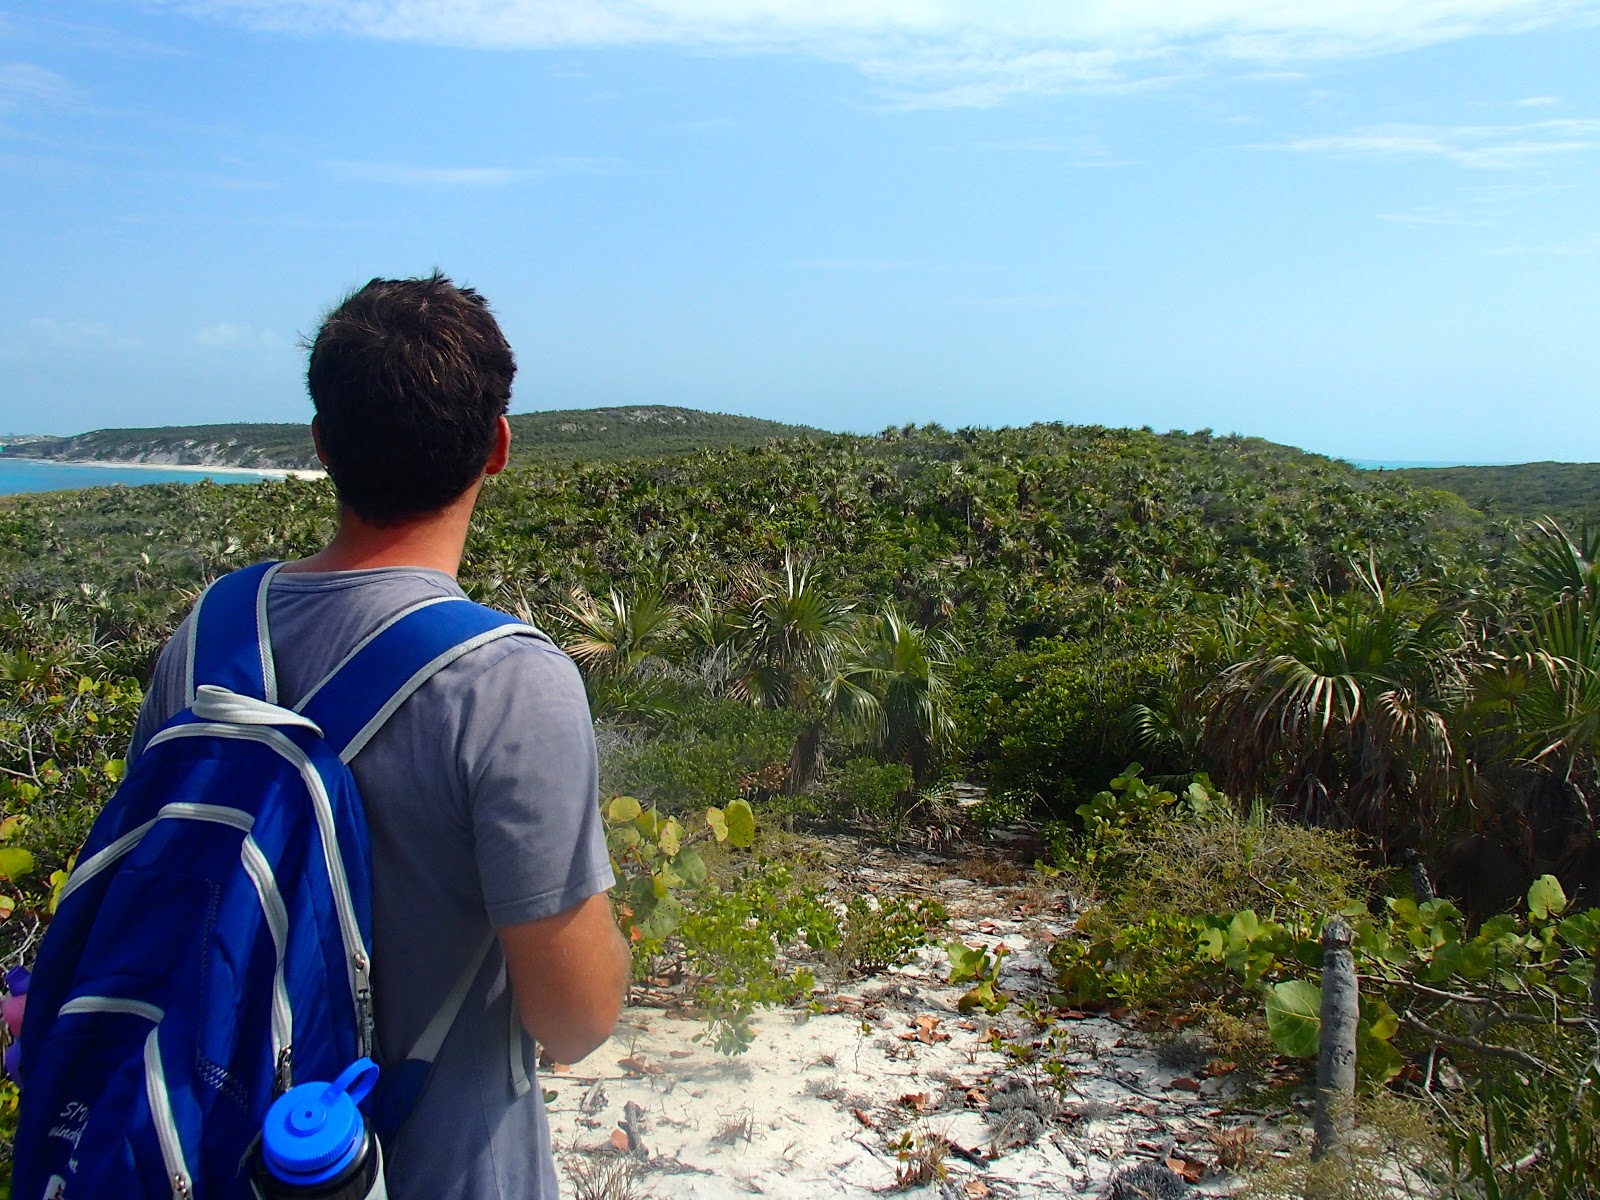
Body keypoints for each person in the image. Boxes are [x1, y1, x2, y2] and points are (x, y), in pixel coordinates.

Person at [126, 272, 630, 1199]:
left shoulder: (210, 633)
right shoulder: (510, 684)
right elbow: (576, 1020)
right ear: (498, 447)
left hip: (211, 1151)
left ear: (322, 444)